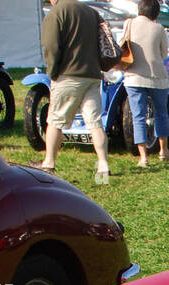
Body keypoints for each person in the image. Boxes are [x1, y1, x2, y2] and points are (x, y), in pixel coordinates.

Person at [37, 0, 111, 181]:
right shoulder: (90, 12)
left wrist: (52, 72)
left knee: (55, 120)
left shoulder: (56, 13)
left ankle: (48, 163)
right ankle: (103, 164)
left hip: (68, 75)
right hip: (92, 74)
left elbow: (50, 46)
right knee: (95, 123)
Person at [121, 0, 169, 167]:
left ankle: (143, 156)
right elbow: (164, 53)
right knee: (161, 114)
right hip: (157, 76)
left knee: (138, 116)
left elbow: (122, 46)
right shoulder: (158, 28)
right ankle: (163, 150)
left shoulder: (128, 24)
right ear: (156, 13)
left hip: (134, 75)